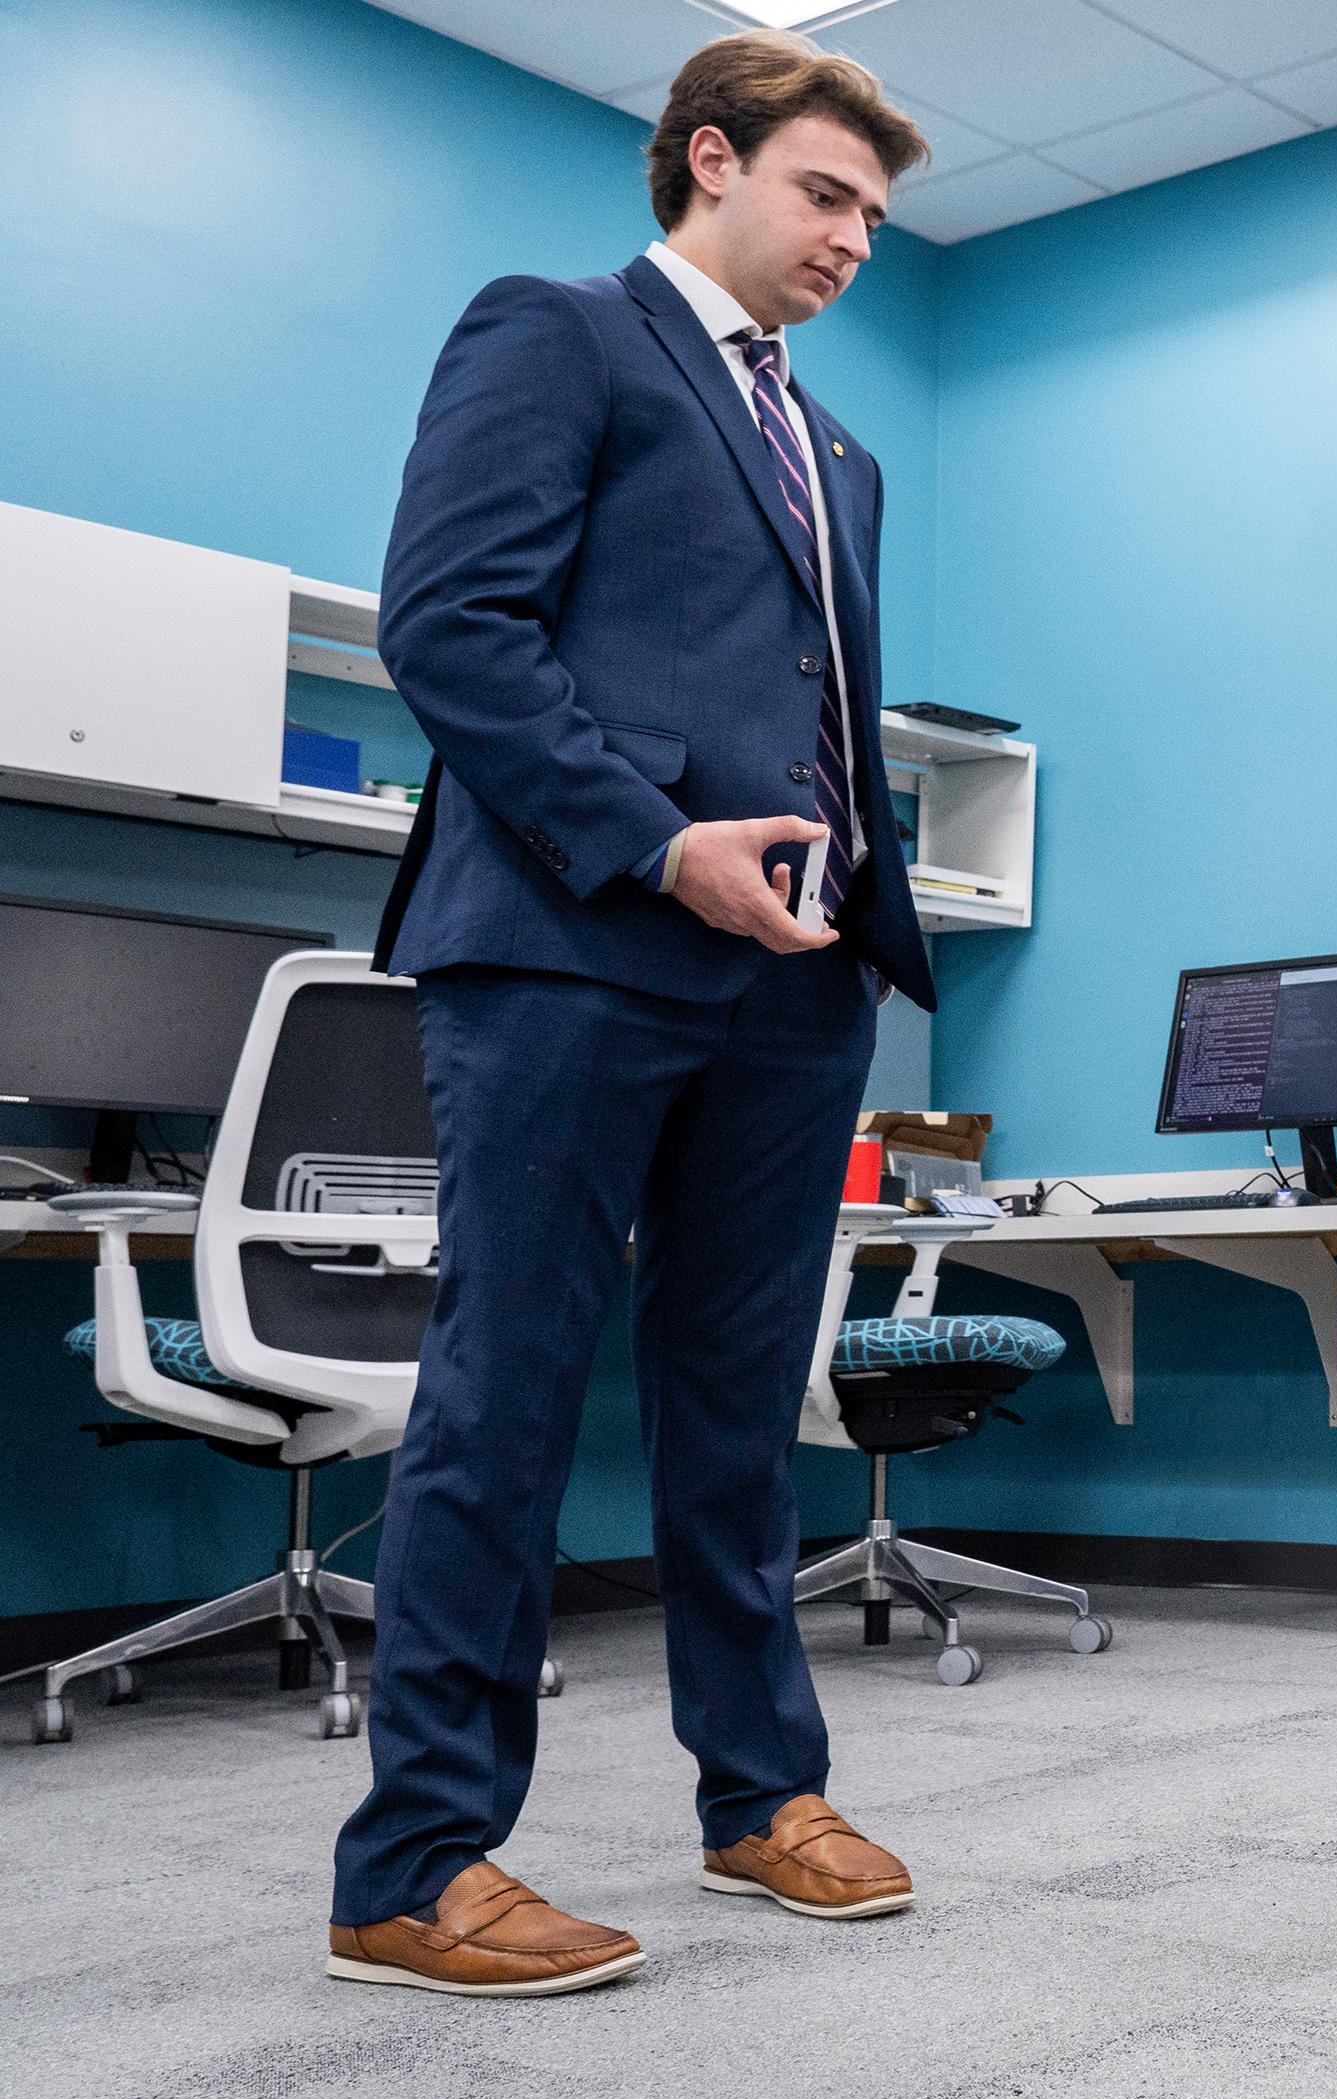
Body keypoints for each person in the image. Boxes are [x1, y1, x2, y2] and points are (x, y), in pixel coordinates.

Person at [327, 32, 939, 1998]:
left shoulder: (839, 455)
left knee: (741, 1402)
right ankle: (414, 1863)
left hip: (797, 975)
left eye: (874, 215)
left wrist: (853, 899)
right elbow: (451, 627)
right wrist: (659, 842)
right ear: (711, 160)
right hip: (576, 944)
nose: (853, 239)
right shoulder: (563, 332)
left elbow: (814, 705)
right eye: (826, 192)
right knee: (507, 1387)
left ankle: (762, 1794)